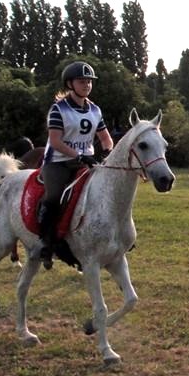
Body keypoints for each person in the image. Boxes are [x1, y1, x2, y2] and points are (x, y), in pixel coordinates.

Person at [37, 60, 115, 268]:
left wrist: (107, 152)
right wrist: (79, 155)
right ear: (70, 84)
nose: (87, 85)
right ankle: (46, 243)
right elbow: (55, 141)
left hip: (85, 162)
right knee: (54, 197)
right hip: (58, 163)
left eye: (89, 81)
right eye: (82, 81)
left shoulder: (95, 110)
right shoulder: (58, 109)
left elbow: (106, 139)